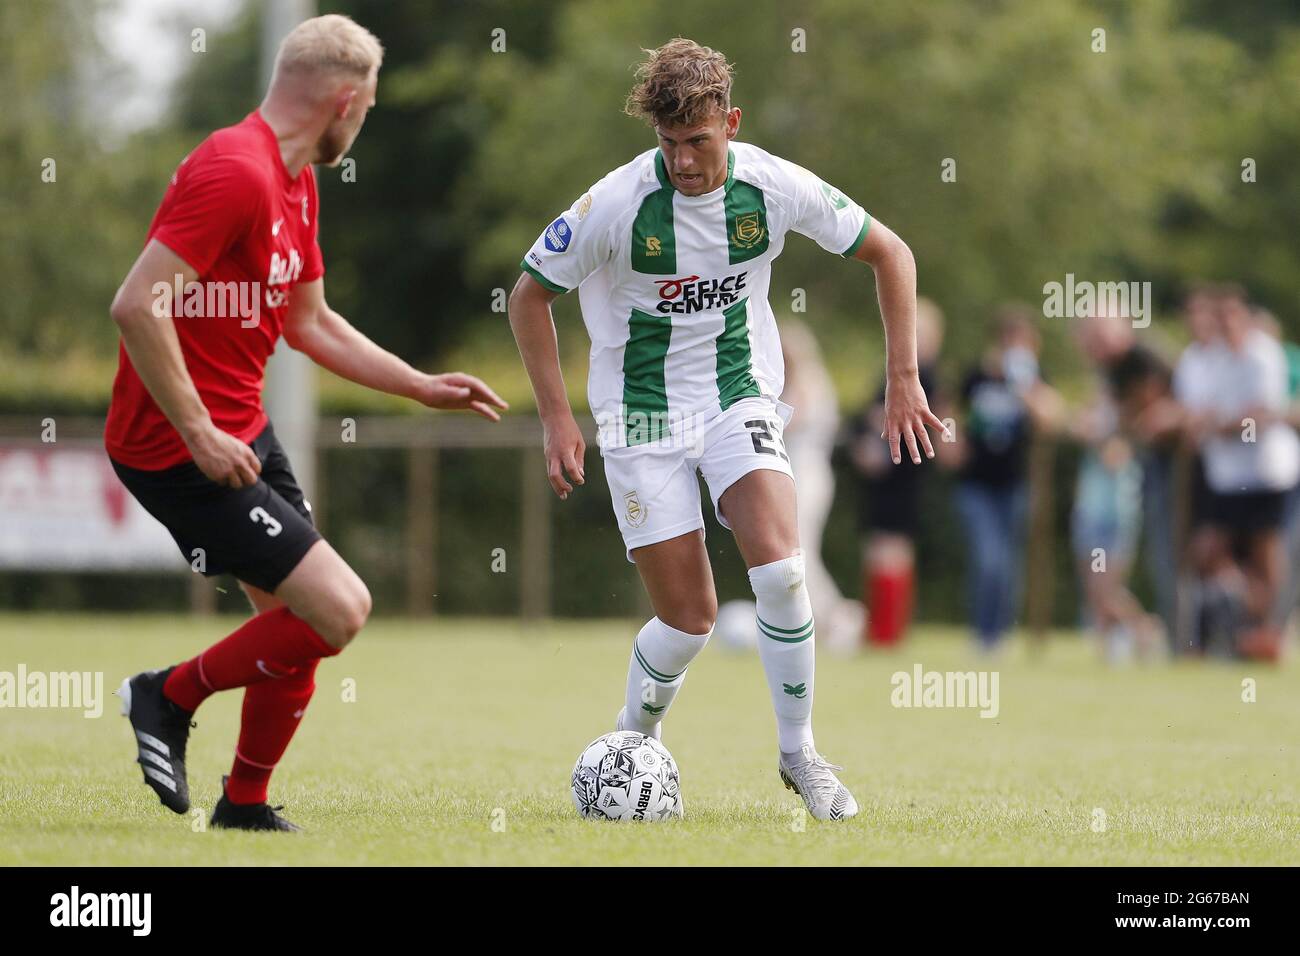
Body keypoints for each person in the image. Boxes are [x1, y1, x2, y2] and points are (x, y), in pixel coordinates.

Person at [507, 39, 943, 820]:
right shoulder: (615, 203)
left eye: (698, 142)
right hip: (639, 412)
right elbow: (527, 296)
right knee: (689, 619)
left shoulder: (771, 186)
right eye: (669, 145)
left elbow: (892, 253)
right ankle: (631, 746)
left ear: (730, 124)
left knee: (781, 570)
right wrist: (556, 420)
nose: (683, 161)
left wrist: (903, 379)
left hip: (737, 397)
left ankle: (800, 753)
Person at [106, 15, 506, 831]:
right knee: (340, 607)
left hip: (240, 432)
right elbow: (135, 305)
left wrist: (420, 386)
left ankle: (243, 806)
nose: (361, 125)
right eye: (366, 110)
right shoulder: (237, 172)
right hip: (173, 447)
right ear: (346, 101)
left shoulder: (295, 180)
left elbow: (309, 323)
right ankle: (165, 695)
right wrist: (197, 432)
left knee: (299, 625)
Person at [1194, 287, 1300, 660]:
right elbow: (1202, 408)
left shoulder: (1263, 355)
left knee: (1266, 551)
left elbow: (1262, 413)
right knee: (1211, 552)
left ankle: (1269, 632)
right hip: (1227, 476)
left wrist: (1223, 425)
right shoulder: (1216, 358)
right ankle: (1247, 622)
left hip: (1266, 472)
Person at [950, 308, 1061, 652]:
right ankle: (982, 633)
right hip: (977, 484)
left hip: (1016, 484)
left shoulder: (1033, 379)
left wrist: (1024, 386)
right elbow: (949, 411)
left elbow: (1051, 418)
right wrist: (953, 443)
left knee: (1008, 564)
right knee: (988, 558)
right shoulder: (977, 377)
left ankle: (1000, 633)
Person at [850, 298, 946, 646]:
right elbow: (867, 416)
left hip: (906, 472)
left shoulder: (929, 380)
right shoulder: (889, 375)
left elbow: (929, 424)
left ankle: (888, 632)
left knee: (894, 549)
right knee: (878, 549)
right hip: (882, 475)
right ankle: (878, 629)